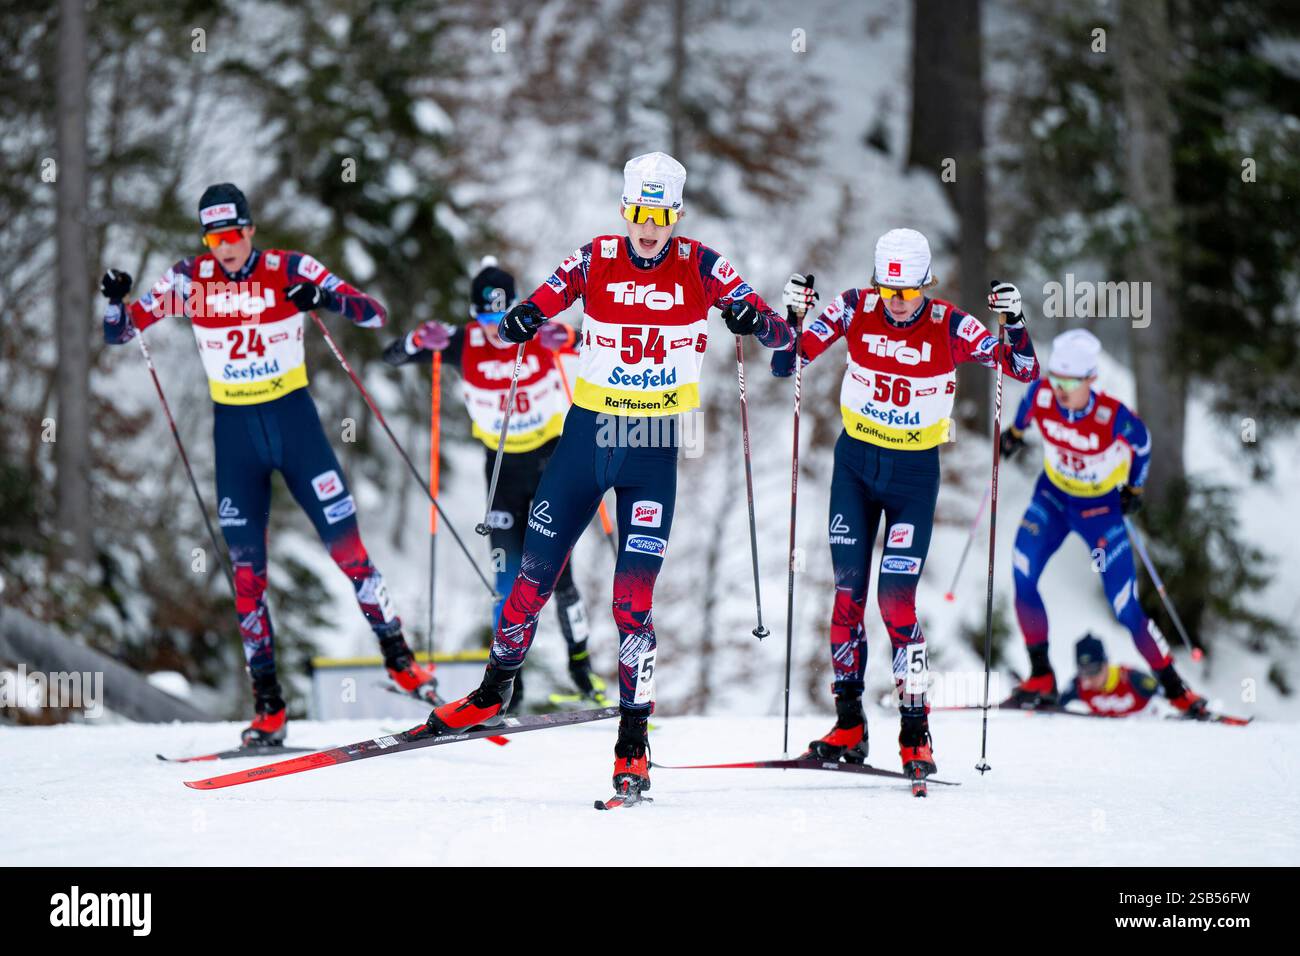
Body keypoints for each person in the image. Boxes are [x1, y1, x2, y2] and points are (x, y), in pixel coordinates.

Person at [409, 151, 793, 802]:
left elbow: (780, 333)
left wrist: (757, 320)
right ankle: (492, 693)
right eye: (638, 213)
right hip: (588, 439)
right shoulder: (595, 259)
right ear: (625, 210)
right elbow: (533, 308)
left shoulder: (702, 264)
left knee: (631, 601)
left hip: (651, 447)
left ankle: (633, 746)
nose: (648, 226)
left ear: (675, 215)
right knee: (535, 574)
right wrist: (520, 319)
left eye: (660, 215)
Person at [99, 182, 435, 745]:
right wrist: (113, 301)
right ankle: (270, 708)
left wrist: (320, 297)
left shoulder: (288, 267)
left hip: (294, 425)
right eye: (214, 236)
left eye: (233, 233)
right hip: (235, 437)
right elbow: (121, 332)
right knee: (248, 577)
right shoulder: (189, 279)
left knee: (349, 551)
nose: (225, 245)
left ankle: (400, 661)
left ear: (250, 229)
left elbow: (372, 313)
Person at [771, 229, 1039, 780]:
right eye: (887, 289)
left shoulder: (948, 323)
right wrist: (792, 315)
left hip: (914, 477)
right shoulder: (853, 307)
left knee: (896, 602)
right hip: (854, 468)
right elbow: (785, 364)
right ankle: (849, 724)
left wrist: (1014, 323)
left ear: (926, 284)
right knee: (848, 593)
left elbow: (1022, 370)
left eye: (907, 291)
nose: (896, 302)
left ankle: (915, 730)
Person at [382, 257, 608, 708]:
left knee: (558, 578)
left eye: (500, 319)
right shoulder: (462, 343)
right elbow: (392, 356)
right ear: (472, 315)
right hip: (501, 472)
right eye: (483, 319)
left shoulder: (539, 334)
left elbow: (609, 347)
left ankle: (583, 674)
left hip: (551, 464)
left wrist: (573, 337)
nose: (492, 330)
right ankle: (510, 687)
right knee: (507, 581)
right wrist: (413, 340)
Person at [1000, 328, 1206, 717]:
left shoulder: (1112, 416)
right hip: (1053, 500)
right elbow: (1026, 411)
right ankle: (1041, 676)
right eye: (1055, 378)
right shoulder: (1041, 394)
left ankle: (1177, 691)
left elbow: (1143, 444)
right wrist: (1013, 434)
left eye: (1069, 381)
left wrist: (1135, 488)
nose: (1059, 389)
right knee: (1022, 572)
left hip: (1099, 512)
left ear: (1091, 379)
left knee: (1125, 606)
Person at [1059, 633, 1160, 717]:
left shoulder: (1132, 678)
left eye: (1093, 669)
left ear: (1105, 664)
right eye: (1082, 671)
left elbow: (1166, 694)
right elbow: (1054, 706)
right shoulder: (1078, 684)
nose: (1089, 678)